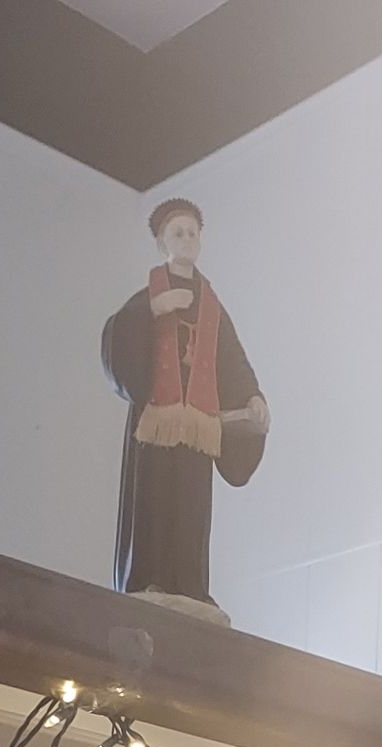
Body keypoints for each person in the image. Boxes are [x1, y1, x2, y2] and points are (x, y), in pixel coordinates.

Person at [102, 199, 268, 610]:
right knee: (155, 500)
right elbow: (116, 339)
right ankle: (150, 577)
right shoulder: (149, 298)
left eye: (193, 232)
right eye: (178, 232)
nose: (187, 239)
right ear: (162, 243)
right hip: (156, 425)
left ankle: (191, 585)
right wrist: (154, 310)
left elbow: (232, 360)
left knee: (192, 504)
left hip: (197, 428)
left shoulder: (212, 307)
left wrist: (253, 397)